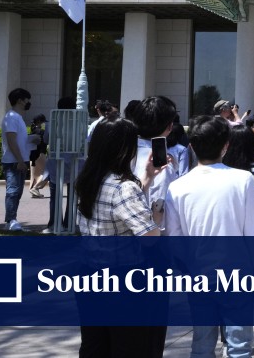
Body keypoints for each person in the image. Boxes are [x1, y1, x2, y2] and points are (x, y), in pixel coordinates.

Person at [164, 115, 254, 358]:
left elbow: (175, 240)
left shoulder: (177, 187)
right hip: (238, 273)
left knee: (202, 343)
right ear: (226, 145)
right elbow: (253, 234)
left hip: (198, 272)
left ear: (192, 146)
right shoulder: (243, 180)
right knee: (239, 346)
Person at [75, 118, 170, 357]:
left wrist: (147, 180)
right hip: (124, 281)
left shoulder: (88, 179)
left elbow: (117, 211)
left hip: (90, 274)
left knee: (95, 344)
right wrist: (156, 220)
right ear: (123, 149)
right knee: (129, 346)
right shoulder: (123, 187)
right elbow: (150, 238)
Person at [1, 87, 35, 231]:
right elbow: (11, 140)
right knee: (13, 191)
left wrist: (32, 139)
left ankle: (12, 220)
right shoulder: (11, 117)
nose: (28, 102)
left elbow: (19, 140)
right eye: (27, 99)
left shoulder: (17, 117)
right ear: (20, 100)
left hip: (20, 159)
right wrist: (20, 160)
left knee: (17, 192)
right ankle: (10, 221)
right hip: (13, 161)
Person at [28, 113, 50, 198]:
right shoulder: (40, 131)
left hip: (33, 156)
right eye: (43, 122)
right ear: (39, 122)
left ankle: (34, 190)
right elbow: (46, 140)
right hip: (40, 154)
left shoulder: (33, 130)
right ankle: (35, 188)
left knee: (34, 175)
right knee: (48, 173)